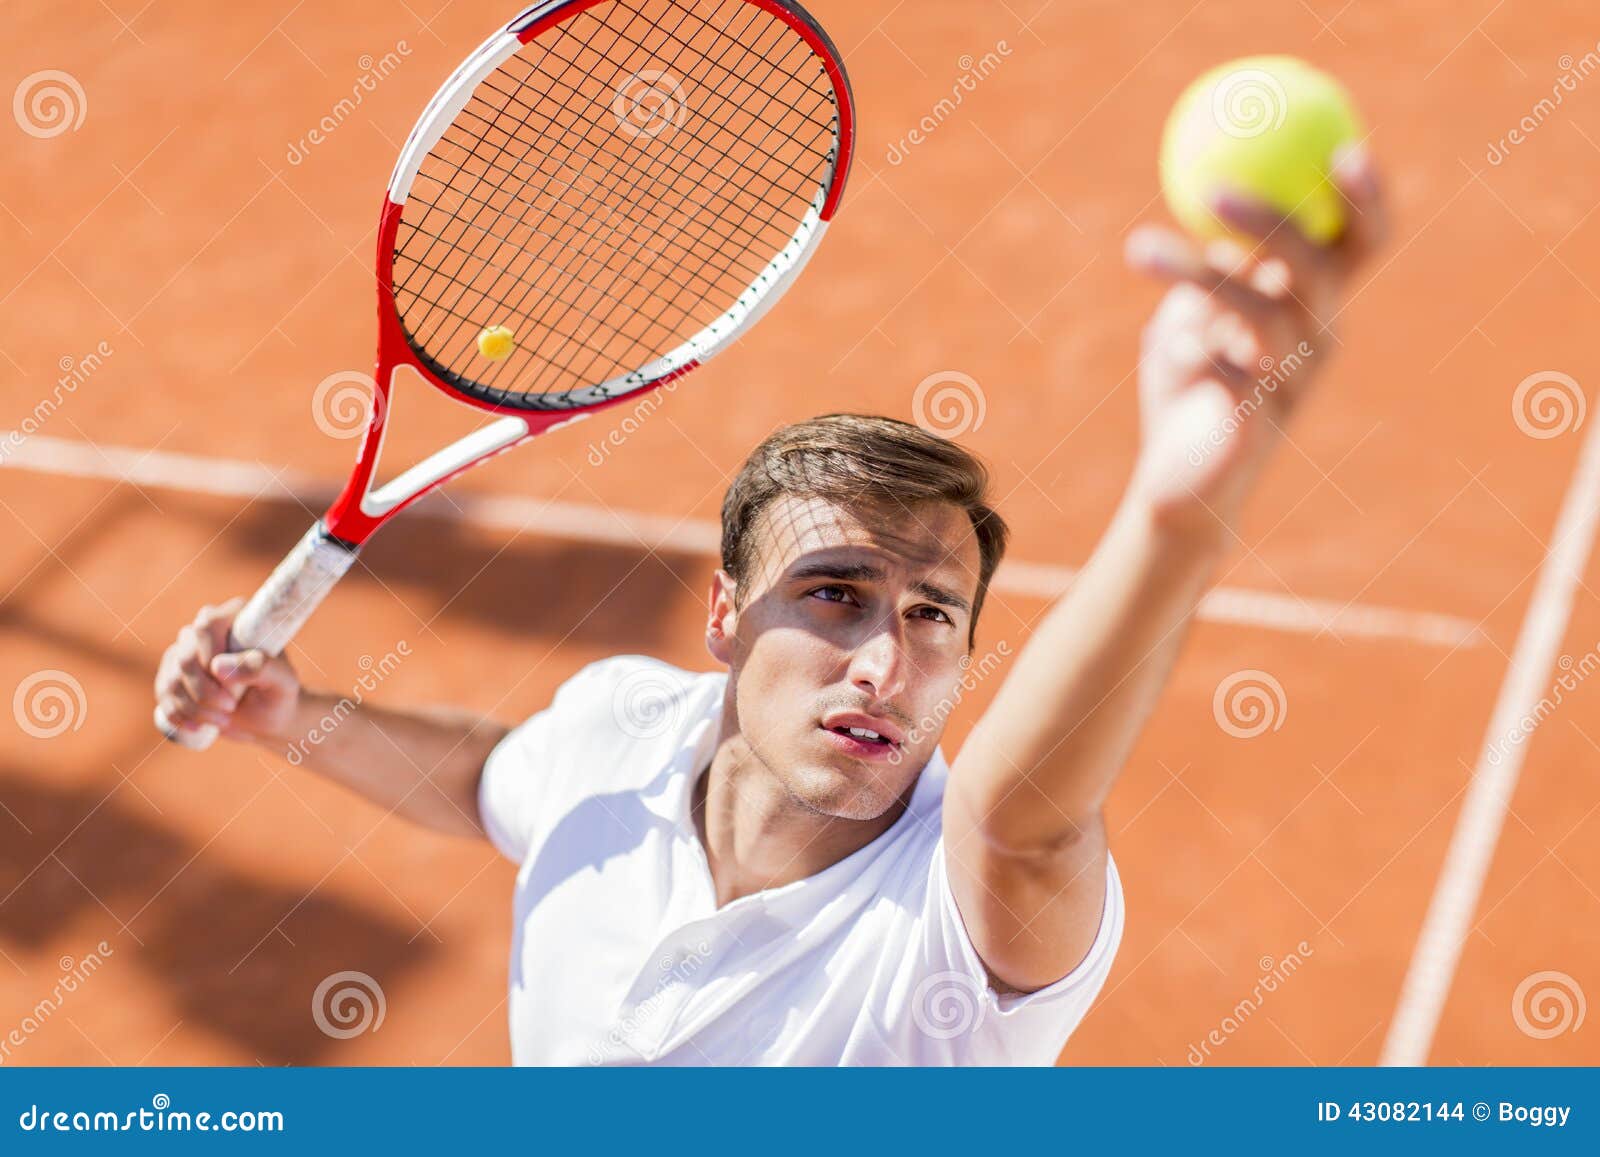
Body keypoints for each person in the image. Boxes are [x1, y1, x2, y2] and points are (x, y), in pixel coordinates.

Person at [153, 149, 1384, 1065]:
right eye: (834, 594)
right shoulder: (615, 731)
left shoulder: (957, 919)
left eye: (933, 614)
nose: (881, 664)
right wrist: (293, 716)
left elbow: (1026, 821)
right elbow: (494, 781)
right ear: (724, 616)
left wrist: (1173, 522)